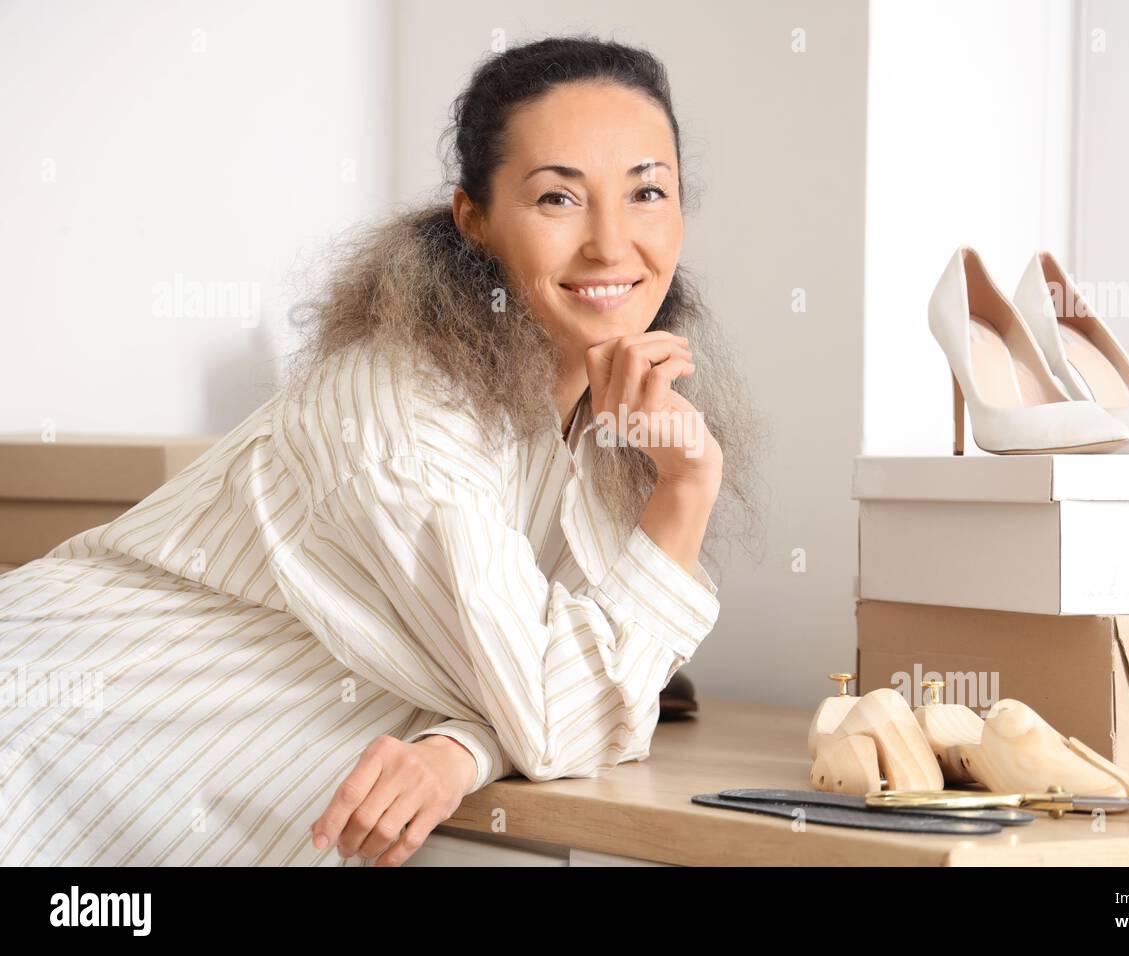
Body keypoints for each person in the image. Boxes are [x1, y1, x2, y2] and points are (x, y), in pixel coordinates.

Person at [0, 34, 762, 867]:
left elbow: (583, 692)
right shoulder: (401, 416)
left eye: (647, 192)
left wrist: (461, 748)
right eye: (558, 199)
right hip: (38, 755)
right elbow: (556, 714)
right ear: (472, 220)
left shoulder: (610, 429)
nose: (612, 245)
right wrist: (686, 491)